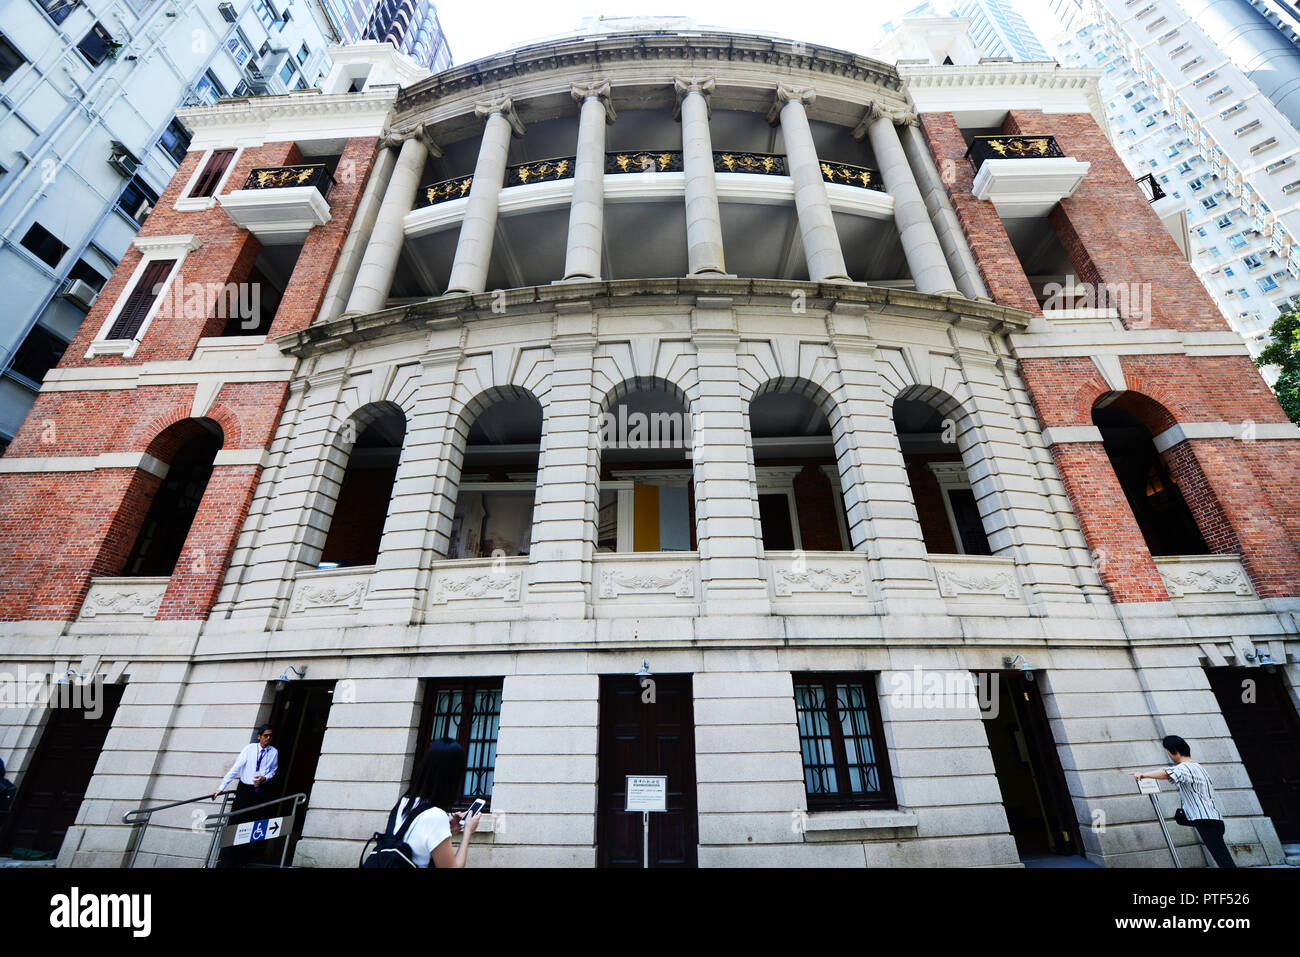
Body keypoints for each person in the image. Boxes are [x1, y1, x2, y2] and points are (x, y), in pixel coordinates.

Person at [1132, 734, 1236, 868]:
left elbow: (1166, 773)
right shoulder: (1198, 766)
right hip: (1213, 819)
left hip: (1206, 821)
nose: (1169, 755)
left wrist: (1143, 774)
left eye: (1168, 752)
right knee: (1223, 859)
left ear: (1174, 751)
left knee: (1224, 861)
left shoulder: (1186, 767)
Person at [387, 739, 481, 868]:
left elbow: (417, 842)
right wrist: (468, 832)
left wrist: (448, 829)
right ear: (452, 778)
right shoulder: (436, 816)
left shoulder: (403, 803)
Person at [212, 724, 278, 867]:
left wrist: (264, 778)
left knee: (253, 824)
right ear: (259, 736)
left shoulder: (273, 752)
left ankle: (243, 858)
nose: (268, 738)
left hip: (261, 790)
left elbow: (273, 770)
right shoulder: (249, 749)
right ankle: (228, 860)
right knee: (237, 822)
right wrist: (221, 788)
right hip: (245, 791)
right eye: (266, 735)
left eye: (270, 736)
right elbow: (236, 768)